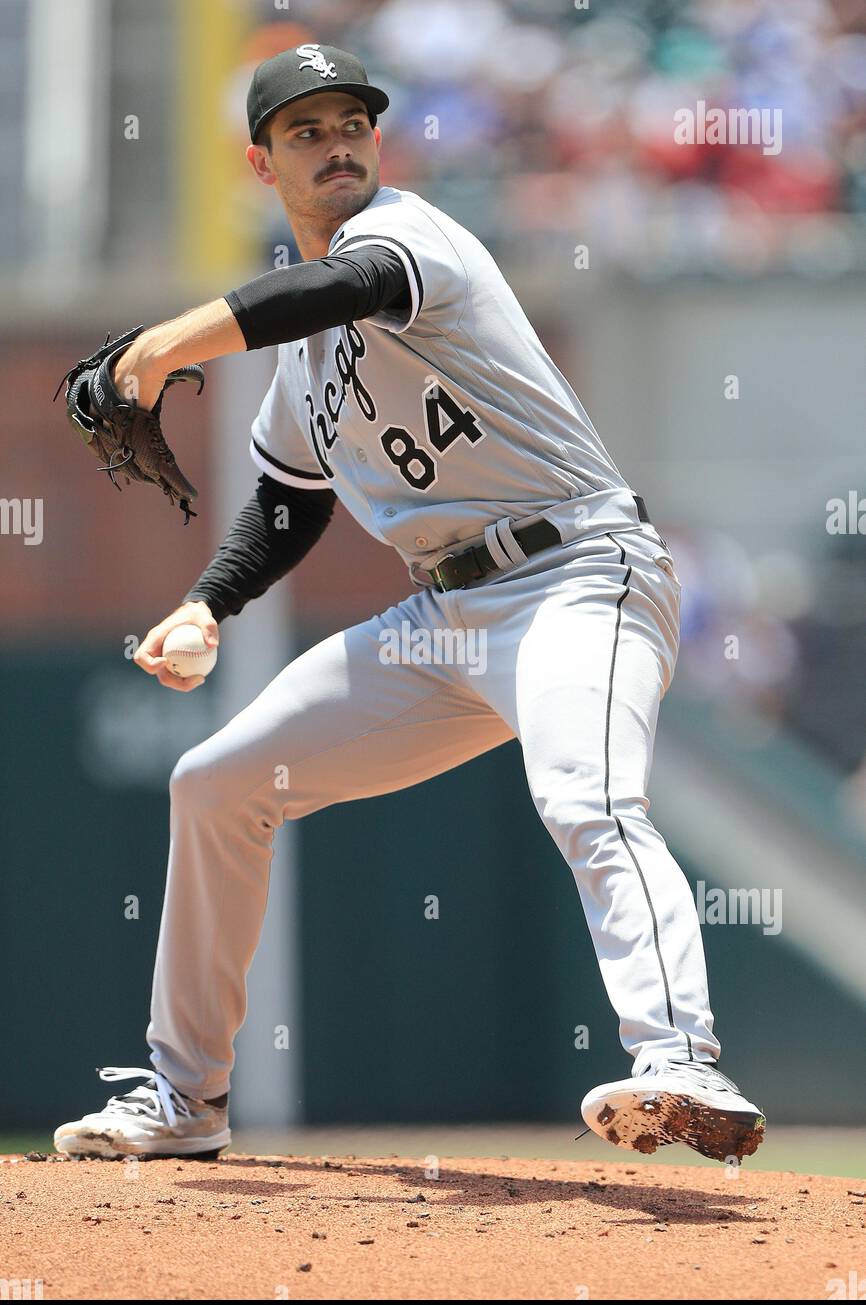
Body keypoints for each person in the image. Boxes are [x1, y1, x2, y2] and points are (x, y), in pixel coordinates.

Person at [55, 44, 764, 1165]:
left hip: (578, 572)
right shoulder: (303, 367)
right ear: (261, 161)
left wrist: (161, 343)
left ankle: (679, 1061)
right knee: (217, 783)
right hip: (444, 622)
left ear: (375, 142)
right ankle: (185, 1100)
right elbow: (286, 506)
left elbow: (344, 286)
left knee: (585, 794)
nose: (336, 142)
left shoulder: (410, 235)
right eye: (305, 130)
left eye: (351, 124)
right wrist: (205, 605)